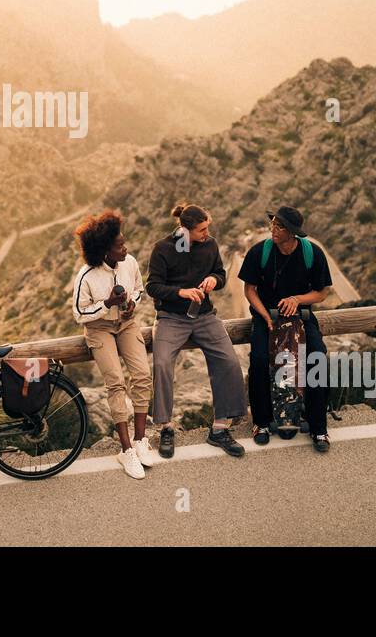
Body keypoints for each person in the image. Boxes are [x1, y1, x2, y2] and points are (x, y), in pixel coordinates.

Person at [146, 202, 248, 459]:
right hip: (170, 317)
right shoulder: (163, 249)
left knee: (228, 361)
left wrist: (215, 279)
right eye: (201, 230)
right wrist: (180, 291)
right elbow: (153, 287)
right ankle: (166, 428)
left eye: (207, 228)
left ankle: (220, 428)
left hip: (204, 316)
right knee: (161, 364)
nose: (206, 233)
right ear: (185, 229)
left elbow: (221, 274)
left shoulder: (210, 245)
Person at [238, 205, 334, 452]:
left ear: (293, 233)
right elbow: (249, 290)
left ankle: (318, 427)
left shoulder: (312, 253)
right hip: (265, 315)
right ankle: (261, 423)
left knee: (317, 358)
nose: (273, 229)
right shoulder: (260, 251)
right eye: (273, 224)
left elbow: (322, 293)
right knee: (259, 360)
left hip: (301, 316)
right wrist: (265, 317)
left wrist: (297, 299)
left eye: (280, 226)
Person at [73, 209, 158, 479]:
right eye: (120, 245)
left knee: (143, 375)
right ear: (105, 251)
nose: (126, 248)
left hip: (126, 324)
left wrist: (131, 303)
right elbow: (79, 313)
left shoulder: (129, 263)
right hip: (98, 329)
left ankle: (140, 440)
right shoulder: (86, 276)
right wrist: (106, 304)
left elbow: (139, 289)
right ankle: (125, 450)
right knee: (116, 383)